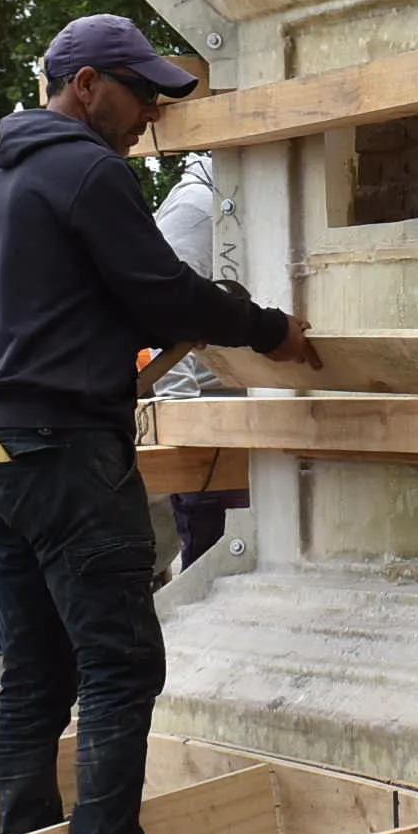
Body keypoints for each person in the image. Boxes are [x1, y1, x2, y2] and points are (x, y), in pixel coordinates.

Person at [0, 14, 318, 834]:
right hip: (66, 449)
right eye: (140, 94)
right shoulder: (88, 171)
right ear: (85, 85)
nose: (149, 116)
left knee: (38, 664)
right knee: (121, 663)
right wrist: (267, 329)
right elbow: (160, 293)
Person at [151, 154, 245, 569]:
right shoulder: (195, 211)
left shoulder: (231, 201)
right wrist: (187, 422)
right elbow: (165, 314)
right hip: (211, 418)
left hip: (237, 409)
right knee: (213, 565)